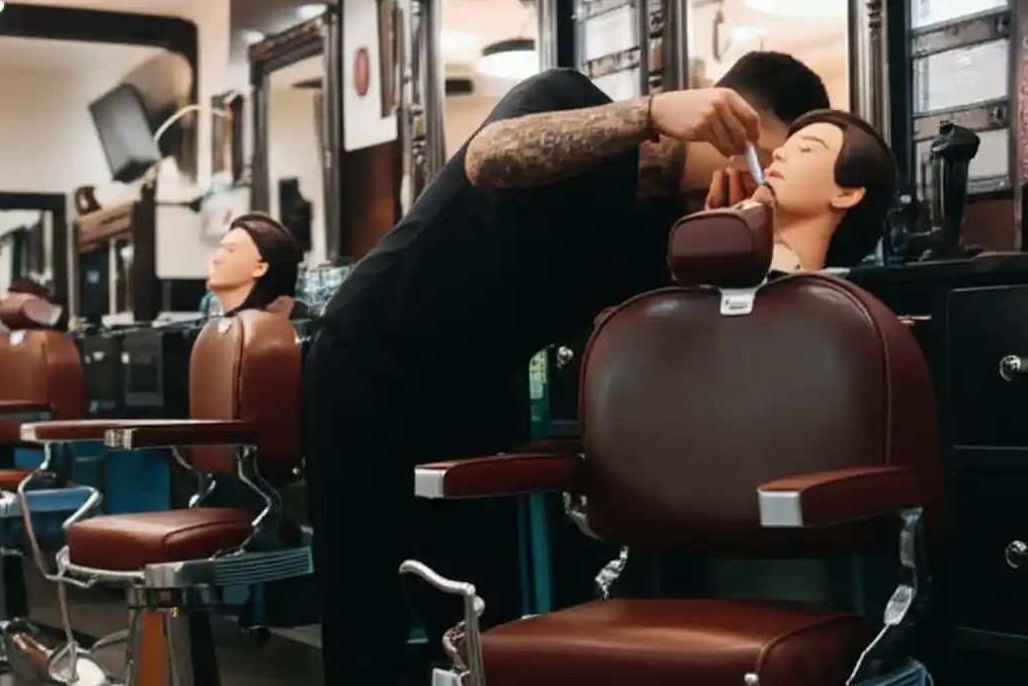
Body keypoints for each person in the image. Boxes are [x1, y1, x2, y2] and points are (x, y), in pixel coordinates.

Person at [303, 52, 847, 686]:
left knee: (480, 617)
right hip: (370, 355)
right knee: (365, 611)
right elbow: (490, 158)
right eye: (779, 154)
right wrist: (651, 112)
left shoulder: (666, 227)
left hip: (476, 388)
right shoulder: (565, 96)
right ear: (738, 124)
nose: (770, 177)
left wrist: (727, 231)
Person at [710, 108, 896, 273]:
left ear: (845, 195)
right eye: (785, 146)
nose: (778, 153)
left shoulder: (827, 304)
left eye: (805, 149)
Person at [206, 213, 309, 319]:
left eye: (230, 250)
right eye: (221, 248)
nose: (216, 259)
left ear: (260, 268)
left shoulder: (270, 330)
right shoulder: (222, 328)